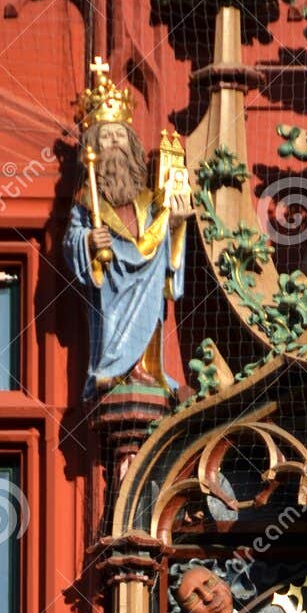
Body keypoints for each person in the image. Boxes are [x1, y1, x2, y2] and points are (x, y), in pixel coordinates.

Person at [65, 59, 190, 399]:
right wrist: (89, 240)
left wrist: (175, 226)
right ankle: (113, 369)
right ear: (93, 148)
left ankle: (146, 369)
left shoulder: (148, 201)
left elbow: (162, 241)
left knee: (151, 324)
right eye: (106, 137)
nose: (115, 143)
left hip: (147, 284)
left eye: (120, 135)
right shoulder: (87, 203)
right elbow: (71, 240)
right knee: (109, 320)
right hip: (110, 289)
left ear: (132, 145)